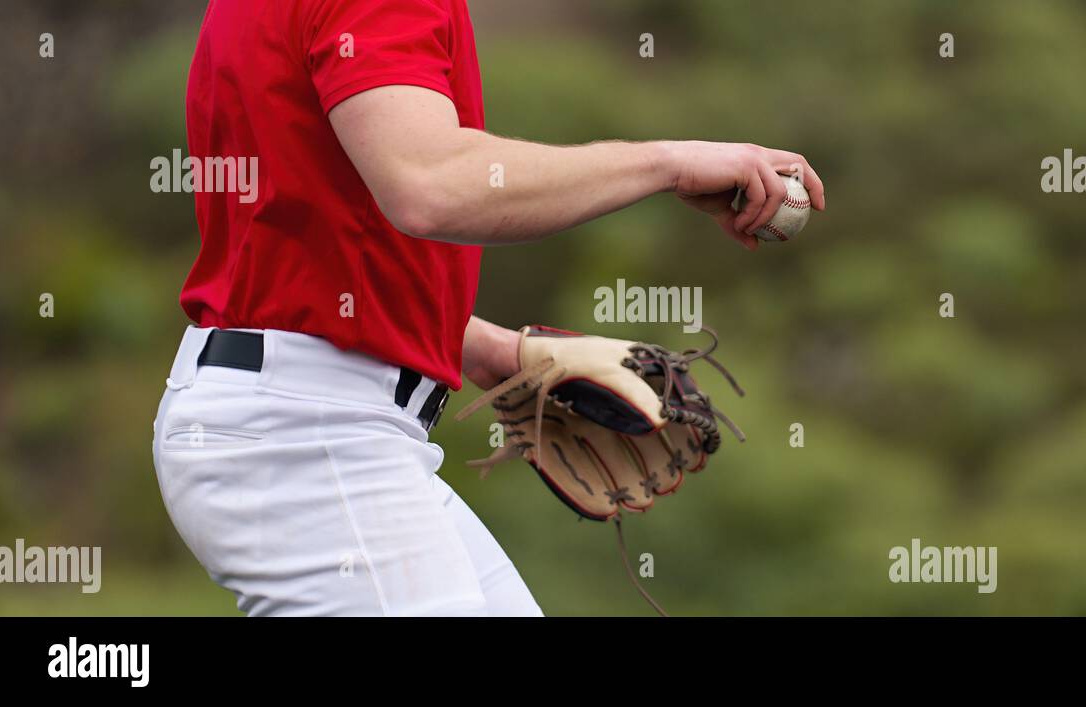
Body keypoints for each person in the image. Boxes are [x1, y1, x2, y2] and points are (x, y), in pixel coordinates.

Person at [152, 0, 826, 616]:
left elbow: (305, 248)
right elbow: (429, 183)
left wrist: (489, 350)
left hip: (303, 420)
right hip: (309, 438)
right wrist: (669, 163)